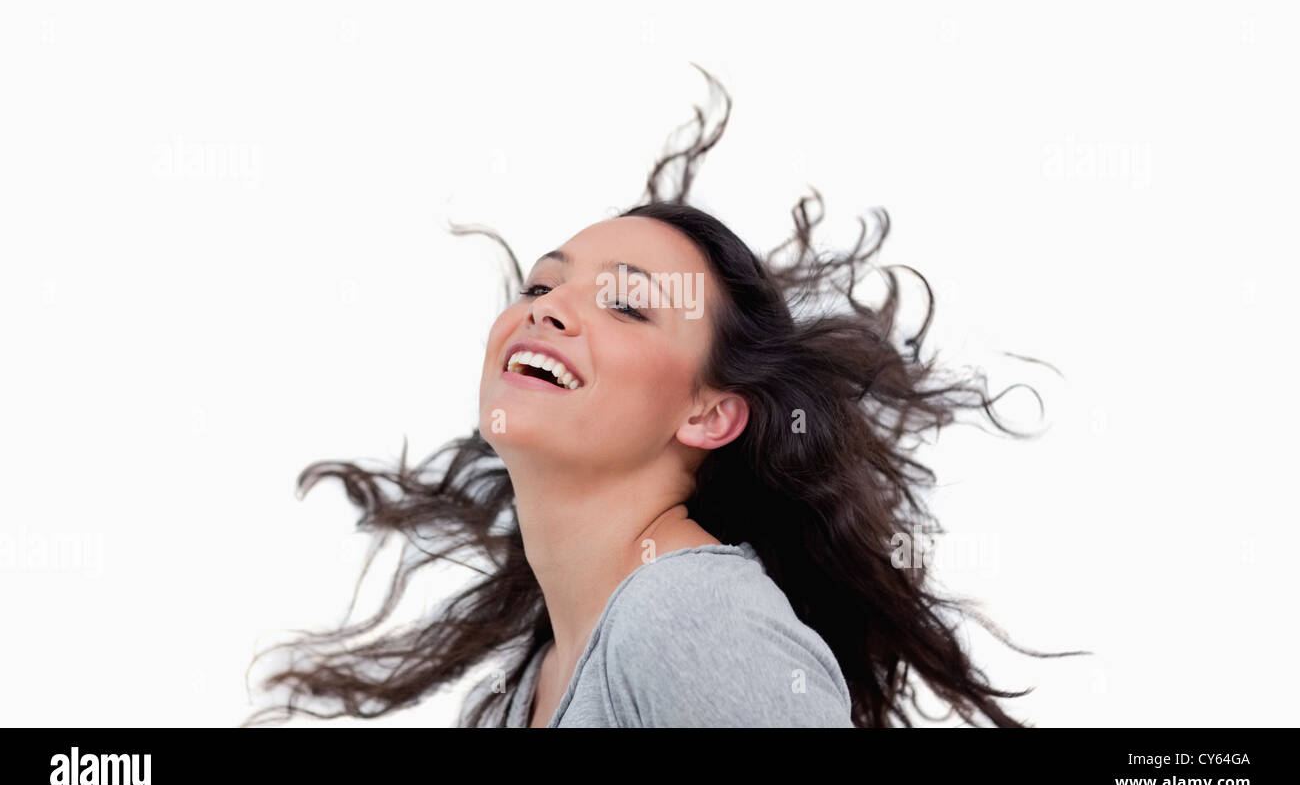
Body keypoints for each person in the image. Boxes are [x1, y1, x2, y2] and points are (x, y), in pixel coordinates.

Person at [242, 64, 1087, 728]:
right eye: (541, 285)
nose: (550, 310)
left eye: (626, 304)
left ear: (710, 413)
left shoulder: (689, 616)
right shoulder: (530, 685)